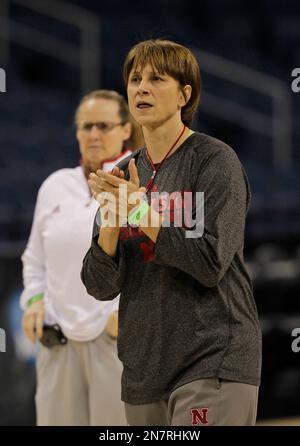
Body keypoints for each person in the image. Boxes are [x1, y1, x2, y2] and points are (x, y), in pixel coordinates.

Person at [81, 40, 262, 426]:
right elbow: (99, 285)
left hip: (213, 359)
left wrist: (140, 209)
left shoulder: (215, 161)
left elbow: (210, 263)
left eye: (156, 78)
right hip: (144, 371)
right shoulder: (122, 174)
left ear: (185, 94)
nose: (141, 88)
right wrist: (111, 225)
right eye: (134, 79)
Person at [20, 90, 141, 426]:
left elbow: (158, 257)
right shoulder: (54, 186)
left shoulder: (143, 185)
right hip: (58, 340)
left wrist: (123, 312)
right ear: (76, 132)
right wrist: (35, 300)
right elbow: (34, 259)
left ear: (125, 129)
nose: (93, 135)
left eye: (103, 125)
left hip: (118, 339)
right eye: (86, 126)